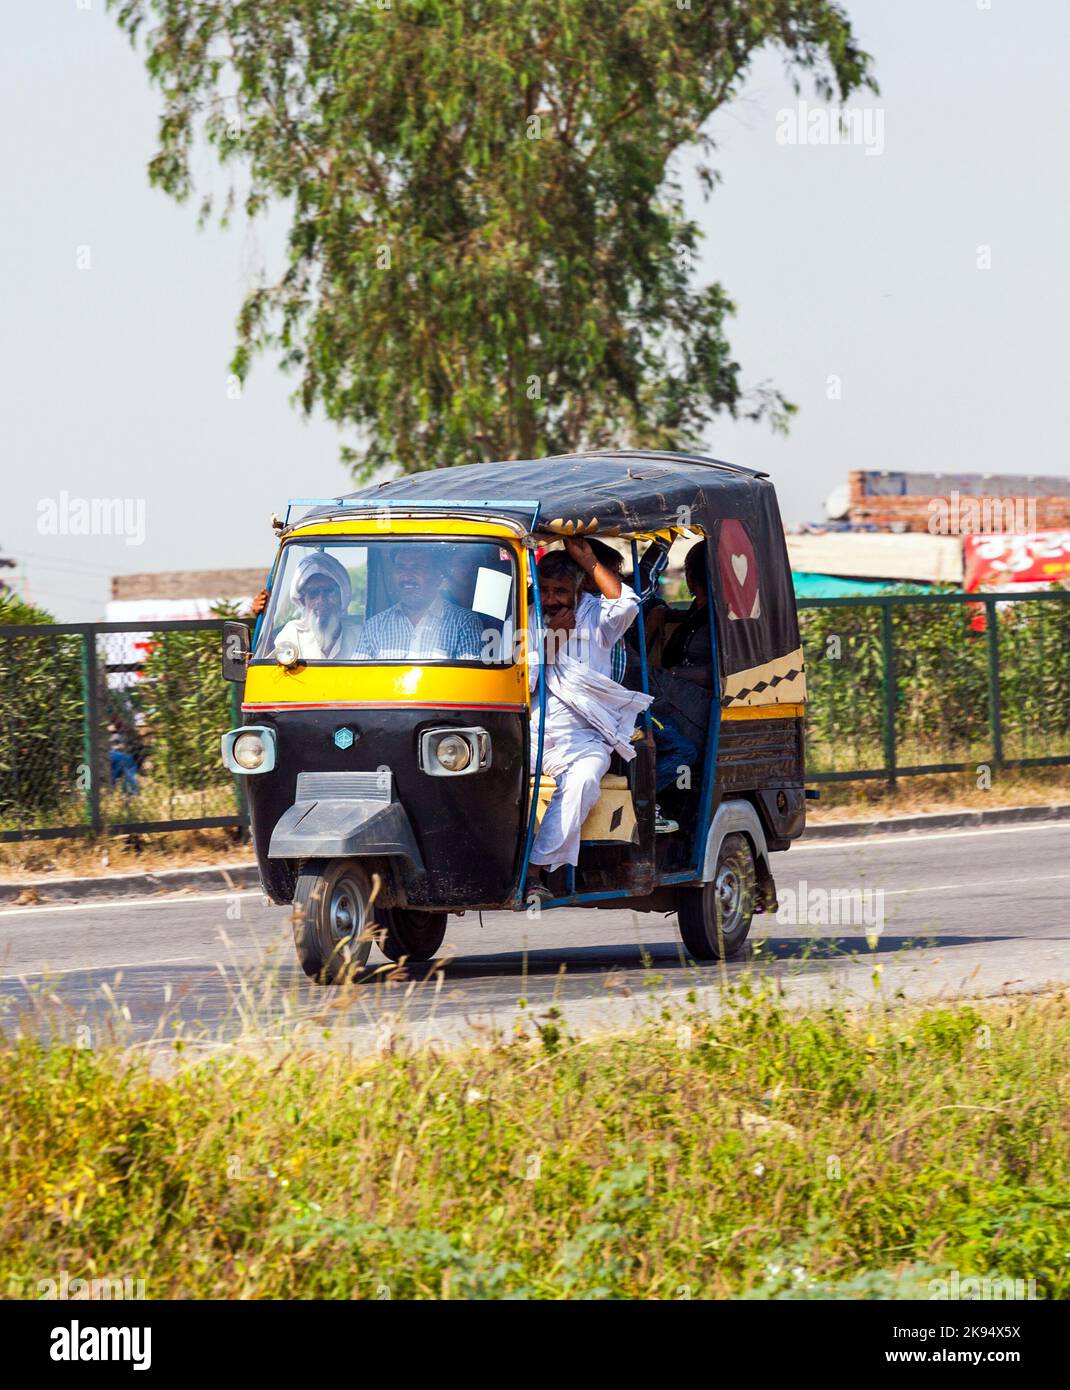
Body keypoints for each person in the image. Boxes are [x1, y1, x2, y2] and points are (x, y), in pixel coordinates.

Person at [525, 537, 652, 899]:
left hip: (582, 740)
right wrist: (552, 641)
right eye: (545, 589)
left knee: (583, 780)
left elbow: (627, 603)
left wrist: (589, 560)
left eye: (560, 591)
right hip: (532, 734)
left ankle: (535, 873)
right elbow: (524, 684)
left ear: (580, 588)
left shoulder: (598, 615)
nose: (551, 599)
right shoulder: (528, 617)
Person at [357, 545, 484, 660]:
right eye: (400, 568)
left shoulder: (464, 622)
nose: (406, 577)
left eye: (416, 568)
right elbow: (359, 679)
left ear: (438, 576)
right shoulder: (373, 626)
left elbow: (468, 681)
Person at [272, 552, 362, 660]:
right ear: (303, 600)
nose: (321, 600)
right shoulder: (292, 634)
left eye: (329, 591)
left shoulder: (359, 635)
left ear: (341, 596)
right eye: (313, 593)